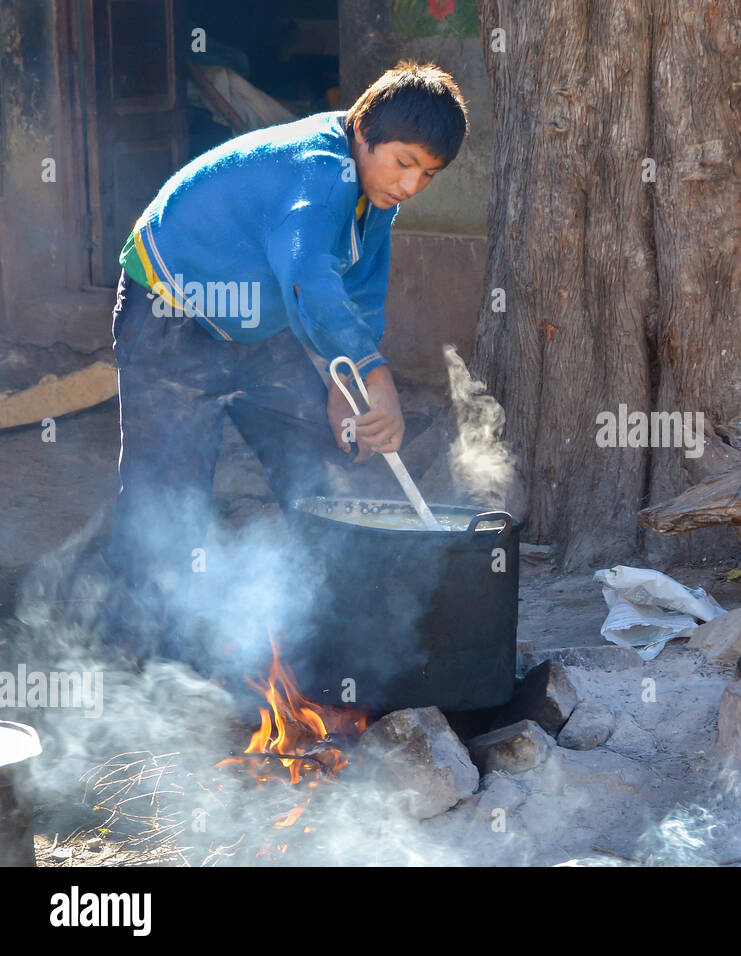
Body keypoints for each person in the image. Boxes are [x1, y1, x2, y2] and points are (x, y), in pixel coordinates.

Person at [104, 61, 468, 664]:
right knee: (165, 500)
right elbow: (309, 280)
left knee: (331, 464)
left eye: (427, 174)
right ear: (364, 131)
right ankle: (139, 664)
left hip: (258, 328)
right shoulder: (322, 172)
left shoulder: (375, 200)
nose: (410, 185)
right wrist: (374, 375)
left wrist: (338, 380)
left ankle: (347, 634)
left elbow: (360, 291)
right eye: (403, 162)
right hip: (168, 316)